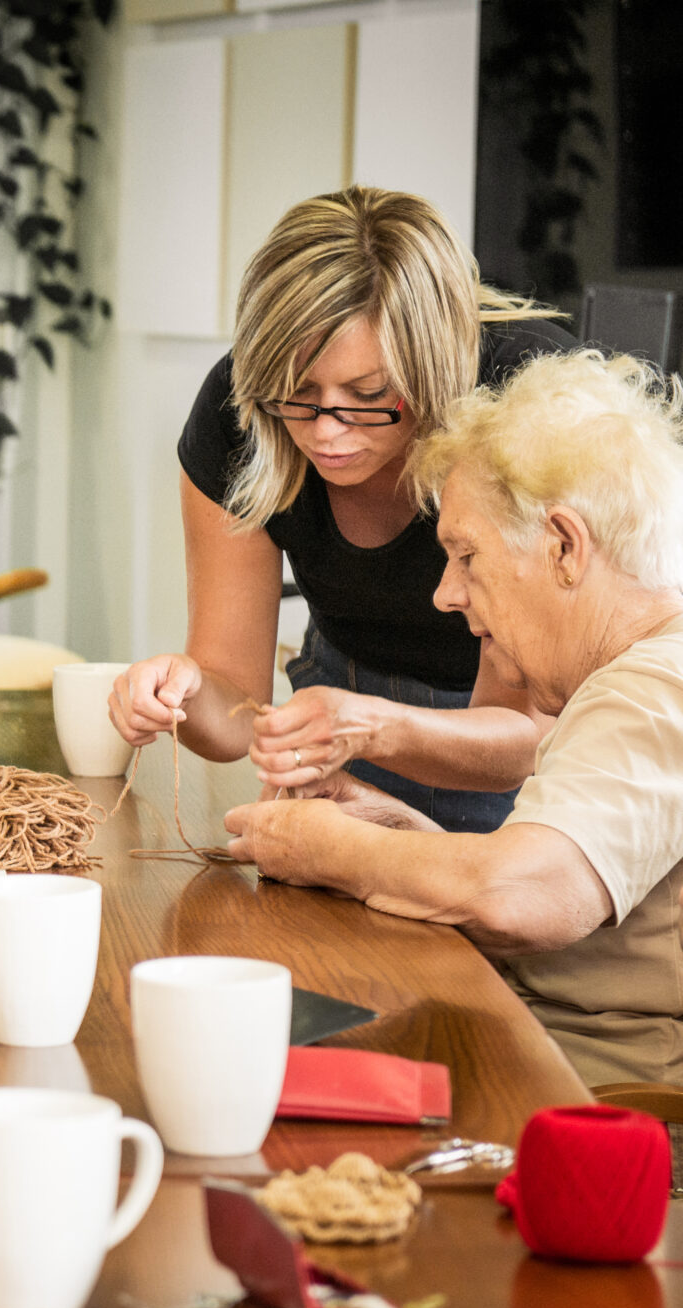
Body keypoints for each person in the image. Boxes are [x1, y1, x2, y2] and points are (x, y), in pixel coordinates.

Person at [224, 350, 683, 1089]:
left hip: (588, 1100)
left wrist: (329, 850)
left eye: (467, 555)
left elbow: (521, 898)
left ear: (564, 546)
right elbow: (539, 889)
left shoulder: (654, 688)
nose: (446, 594)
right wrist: (391, 828)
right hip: (524, 1046)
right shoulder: (631, 678)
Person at [108, 187, 573, 832]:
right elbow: (235, 713)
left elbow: (524, 739)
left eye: (368, 393)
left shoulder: (528, 406)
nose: (326, 431)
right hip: (338, 729)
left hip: (516, 766)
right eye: (298, 392)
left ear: (434, 367)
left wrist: (366, 727)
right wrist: (185, 690)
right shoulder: (241, 411)